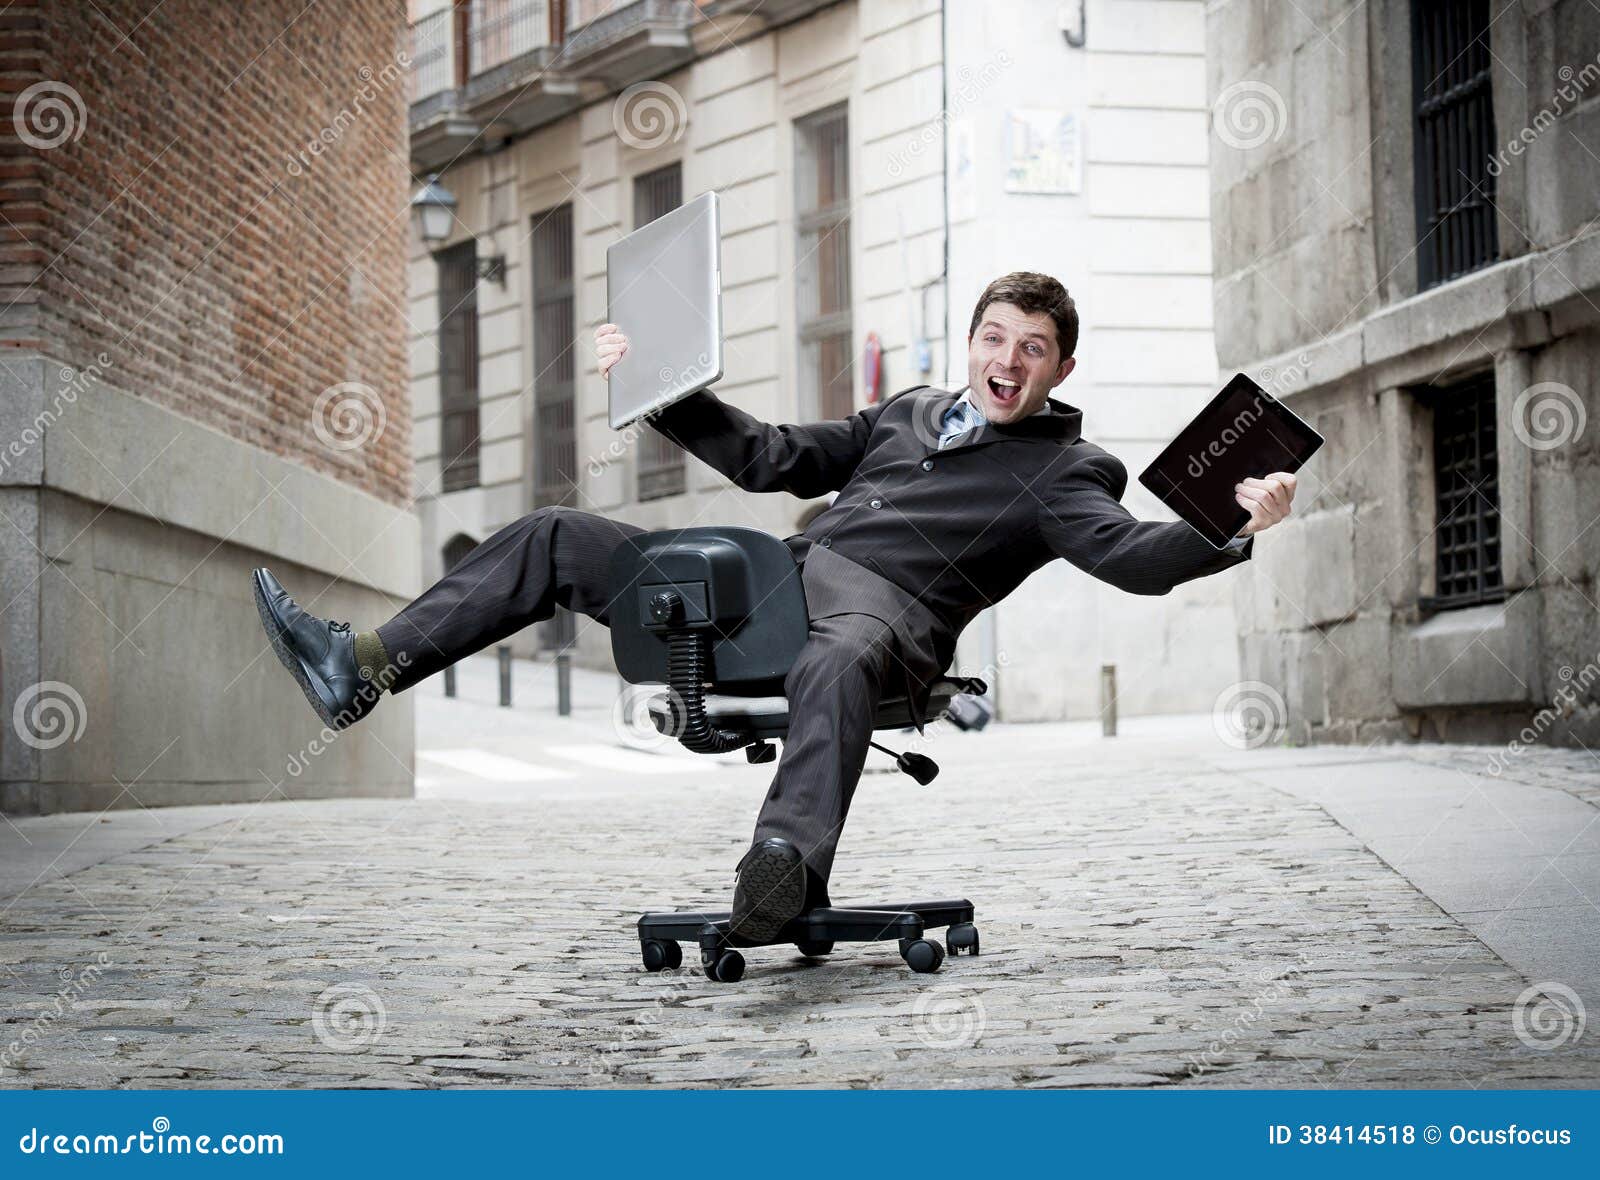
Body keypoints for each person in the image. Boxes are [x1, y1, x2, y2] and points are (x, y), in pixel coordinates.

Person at [252, 272, 1296, 944]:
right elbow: (771, 459)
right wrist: (665, 388)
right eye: (993, 337)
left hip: (884, 631)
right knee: (556, 534)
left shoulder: (1070, 470)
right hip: (773, 590)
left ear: (1062, 366)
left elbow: (1133, 557)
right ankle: (363, 666)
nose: (1006, 361)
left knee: (836, 662)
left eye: (1031, 348)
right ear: (969, 341)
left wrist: (1234, 525)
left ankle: (782, 871)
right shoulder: (908, 410)